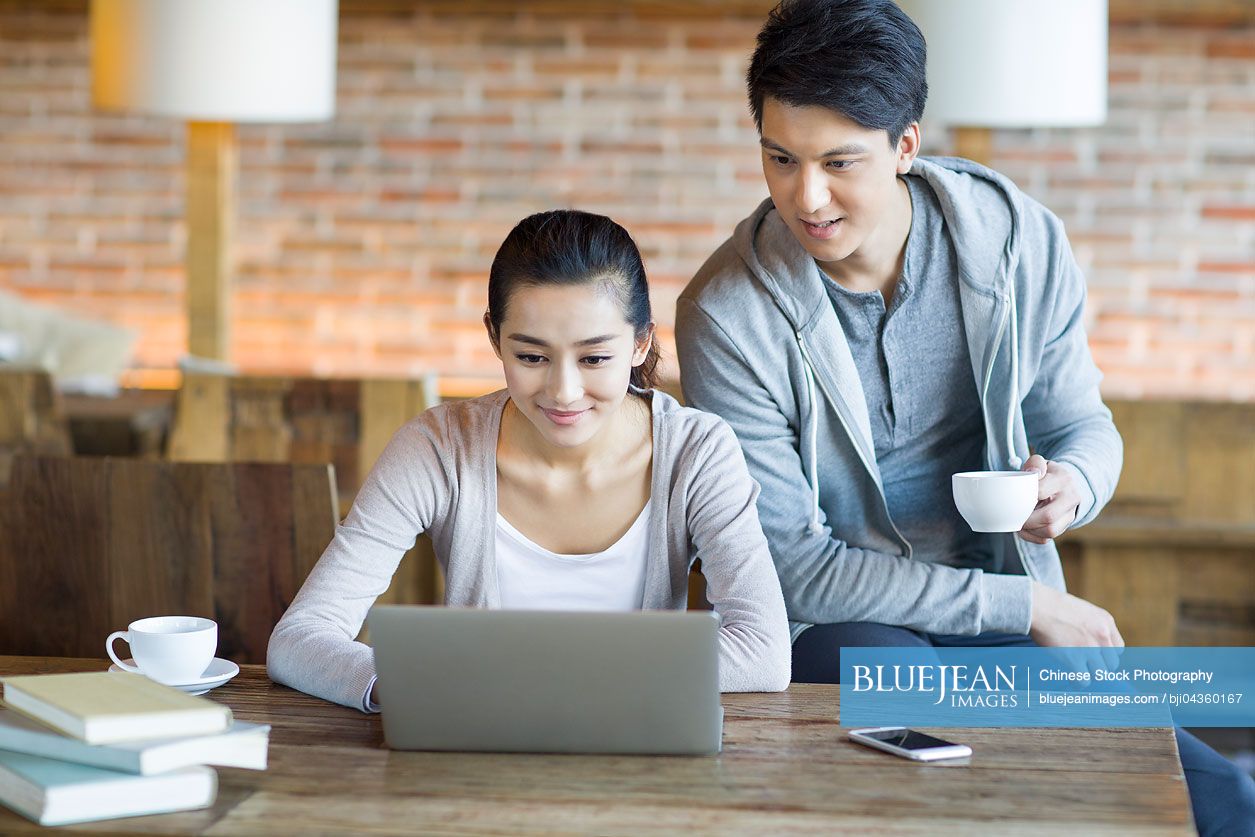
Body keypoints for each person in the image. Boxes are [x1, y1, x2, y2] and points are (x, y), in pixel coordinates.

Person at [674, 1, 1255, 832]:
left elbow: (1081, 425)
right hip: (845, 630)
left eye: (839, 162)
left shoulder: (1019, 240)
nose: (806, 196)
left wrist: (1073, 484)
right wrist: (1025, 610)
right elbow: (791, 566)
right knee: (937, 748)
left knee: (1221, 798)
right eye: (779, 158)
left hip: (1004, 615)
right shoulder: (727, 315)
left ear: (905, 145)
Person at [268, 209, 791, 712]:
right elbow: (298, 638)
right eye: (532, 357)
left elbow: (763, 653)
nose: (564, 392)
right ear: (494, 338)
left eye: (594, 358)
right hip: (476, 760)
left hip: (640, 763)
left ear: (640, 343)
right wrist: (403, 686)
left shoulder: (697, 452)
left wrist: (537, 676)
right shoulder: (437, 448)